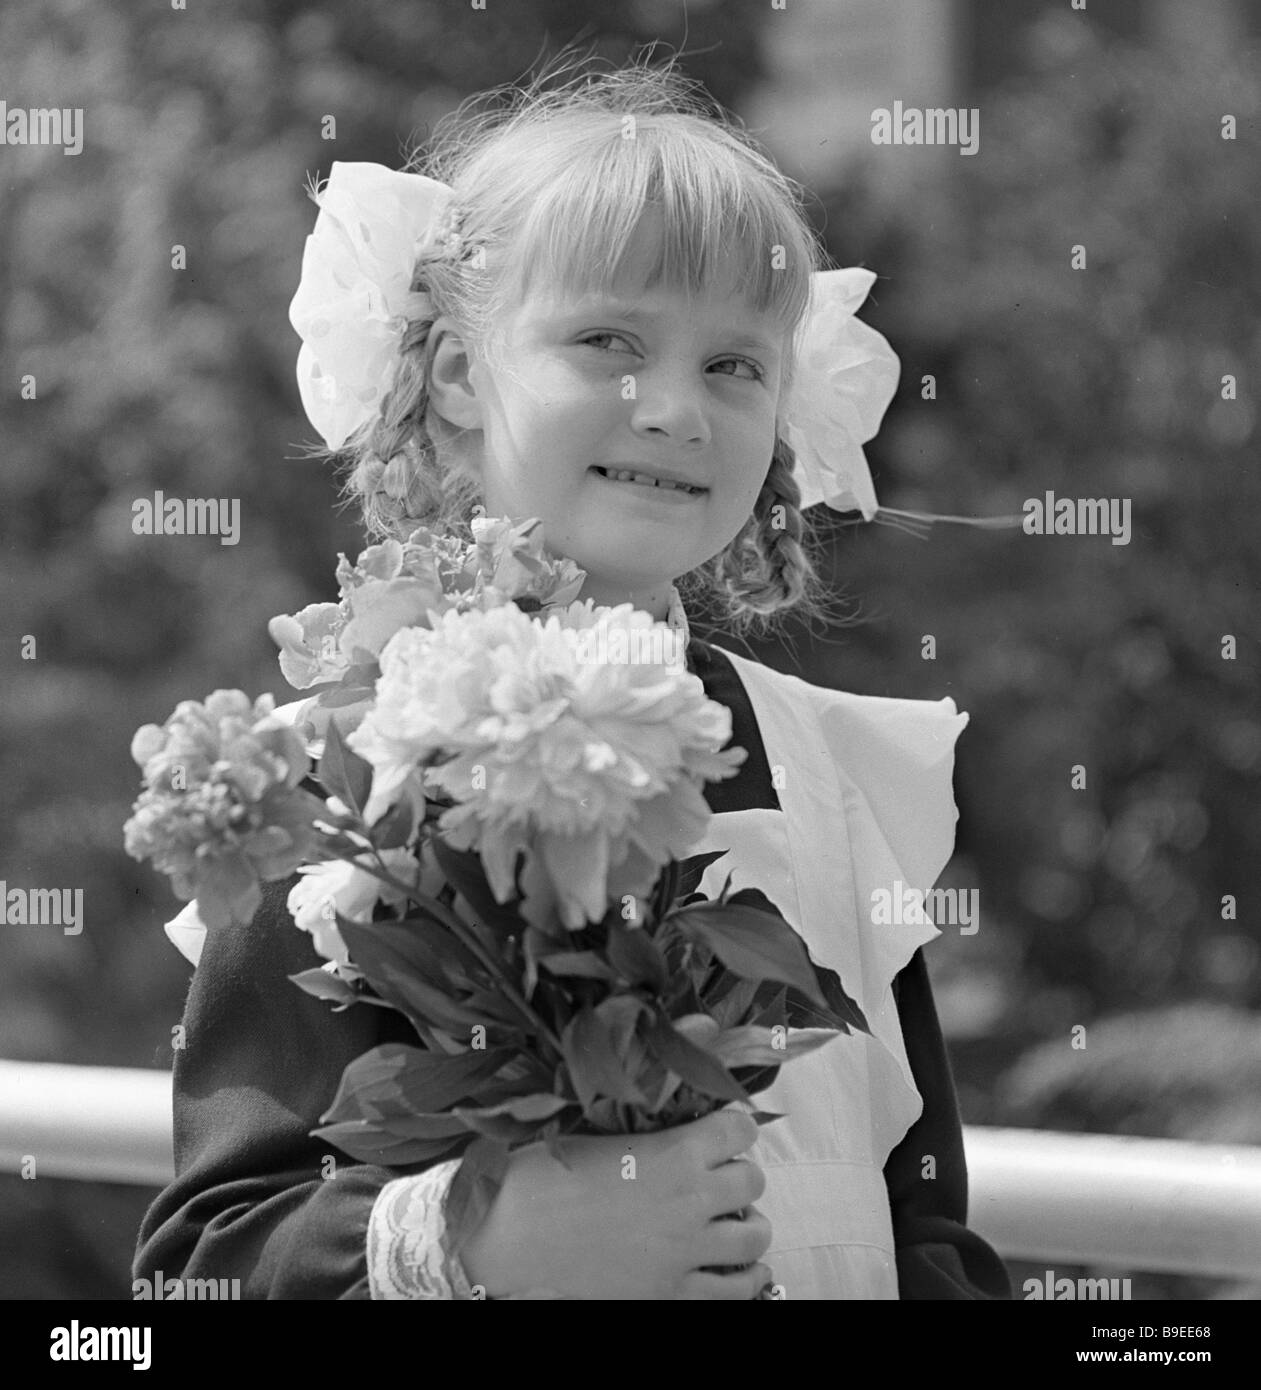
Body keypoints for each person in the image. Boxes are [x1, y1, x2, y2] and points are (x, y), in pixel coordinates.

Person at [133, 55, 1012, 1301]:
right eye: (607, 340)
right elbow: (199, 1270)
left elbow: (924, 1233)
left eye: (733, 364)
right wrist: (473, 1245)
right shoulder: (330, 779)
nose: (674, 408)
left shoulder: (837, 773)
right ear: (453, 375)